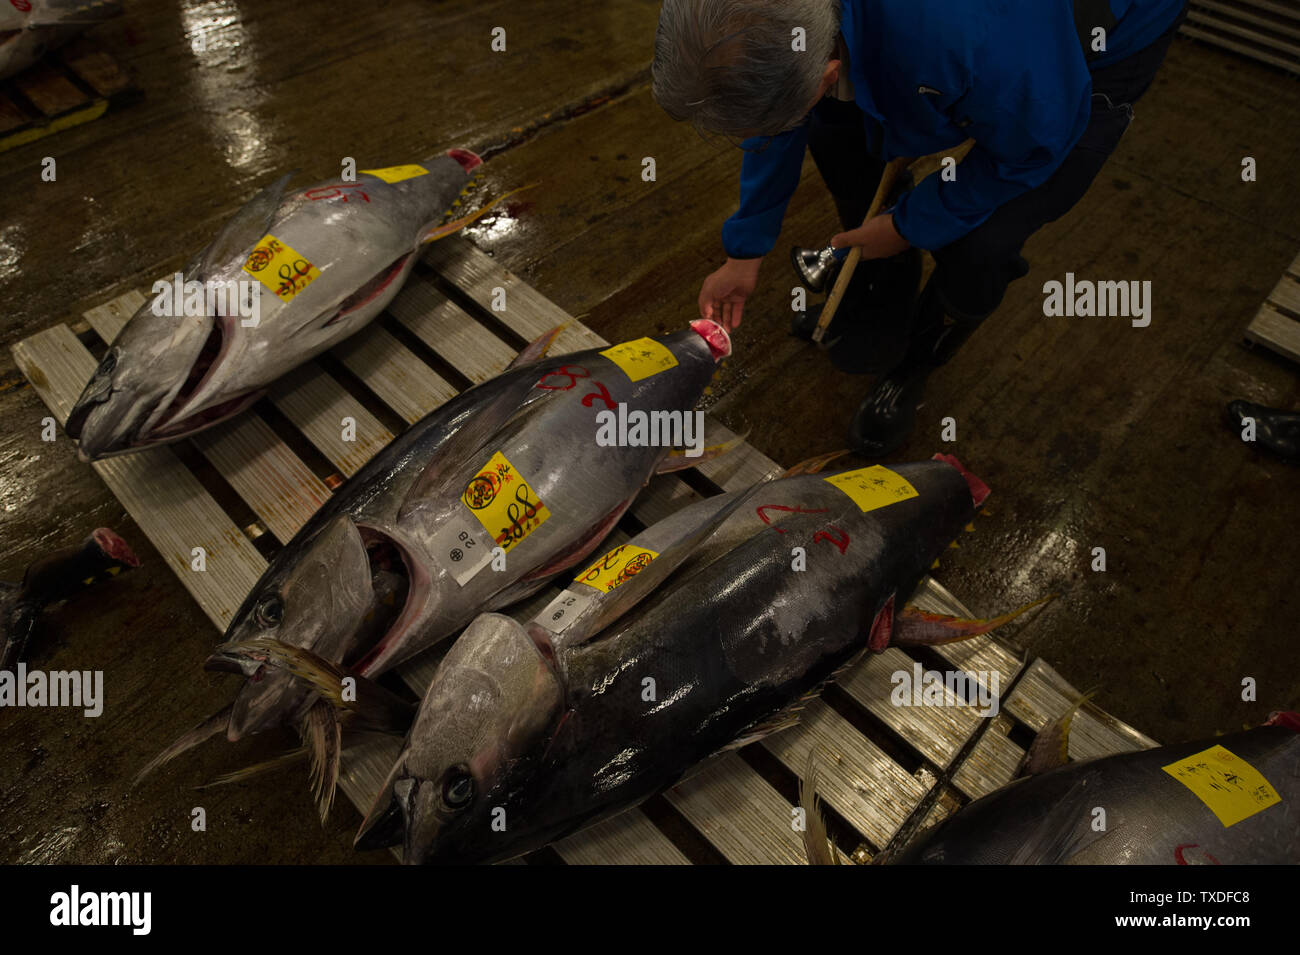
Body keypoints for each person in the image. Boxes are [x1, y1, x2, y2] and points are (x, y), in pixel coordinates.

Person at [652, 0, 1189, 455]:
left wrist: (910, 225)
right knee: (839, 132)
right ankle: (876, 291)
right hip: (943, 40)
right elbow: (773, 110)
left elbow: (1032, 148)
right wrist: (745, 249)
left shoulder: (973, 49)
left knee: (984, 240)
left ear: (829, 73)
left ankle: (914, 365)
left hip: (1088, 39)